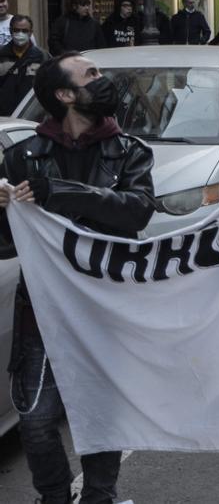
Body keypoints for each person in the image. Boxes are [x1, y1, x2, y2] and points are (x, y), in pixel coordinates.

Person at [0, 51, 155, 504]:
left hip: (104, 305)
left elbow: (136, 210)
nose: (104, 81)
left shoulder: (129, 151)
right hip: (42, 310)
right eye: (92, 75)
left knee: (101, 415)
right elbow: (8, 245)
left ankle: (99, 497)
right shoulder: (22, 157)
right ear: (66, 95)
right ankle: (53, 496)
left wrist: (60, 193)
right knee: (35, 419)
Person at [0, 15, 46, 115]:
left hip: (31, 116)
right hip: (4, 116)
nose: (20, 34)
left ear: (30, 33)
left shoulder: (42, 57)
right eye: (16, 30)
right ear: (10, 31)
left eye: (24, 31)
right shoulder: (1, 55)